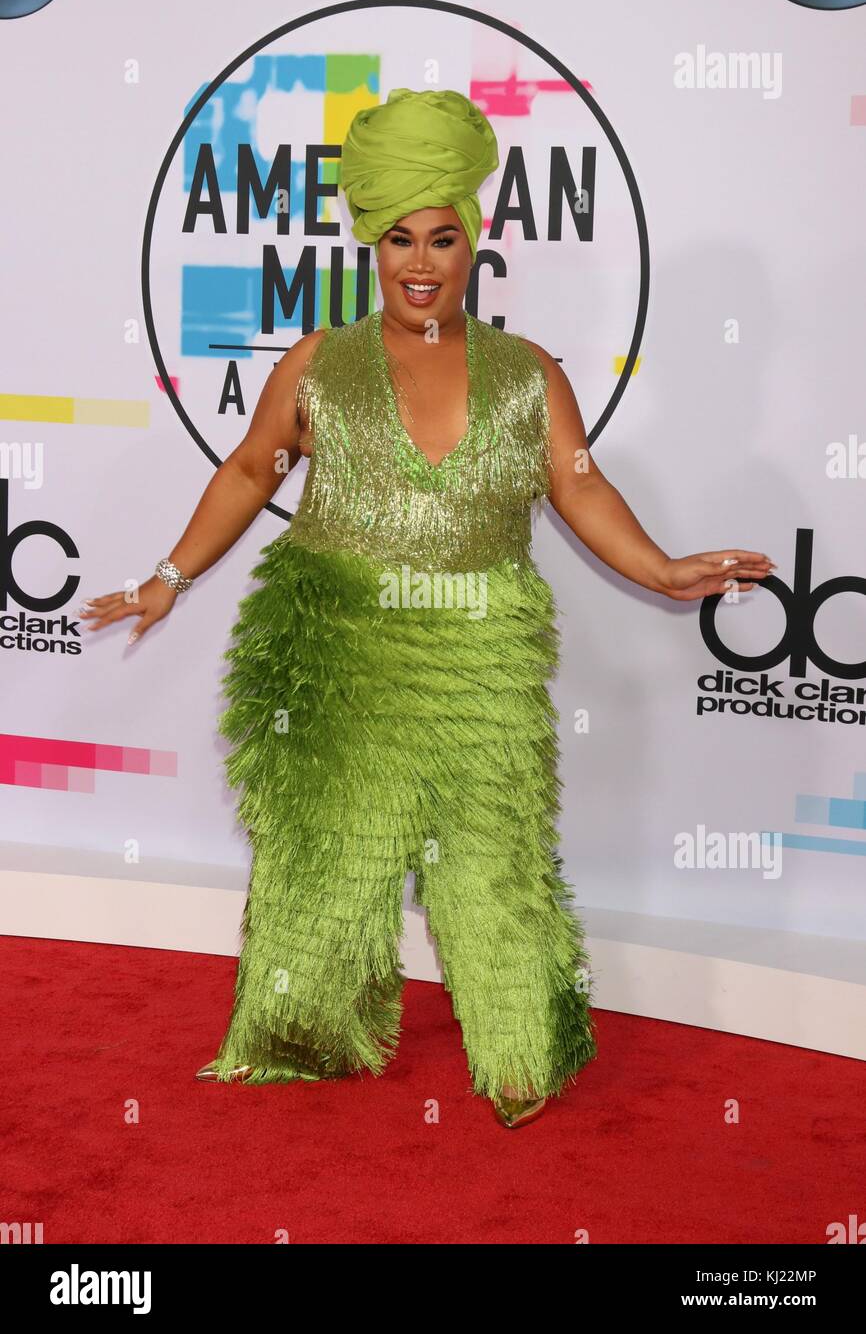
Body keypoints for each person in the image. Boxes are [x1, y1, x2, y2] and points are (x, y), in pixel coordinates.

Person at [81, 88, 774, 1130]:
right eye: (398, 237)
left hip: (477, 654)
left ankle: (519, 1041)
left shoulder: (524, 373)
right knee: (321, 859)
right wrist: (164, 582)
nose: (419, 261)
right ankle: (299, 1032)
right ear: (369, 243)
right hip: (335, 652)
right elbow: (245, 467)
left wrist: (664, 567)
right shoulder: (320, 363)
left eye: (440, 237)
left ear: (472, 240)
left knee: (494, 860)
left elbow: (578, 485)